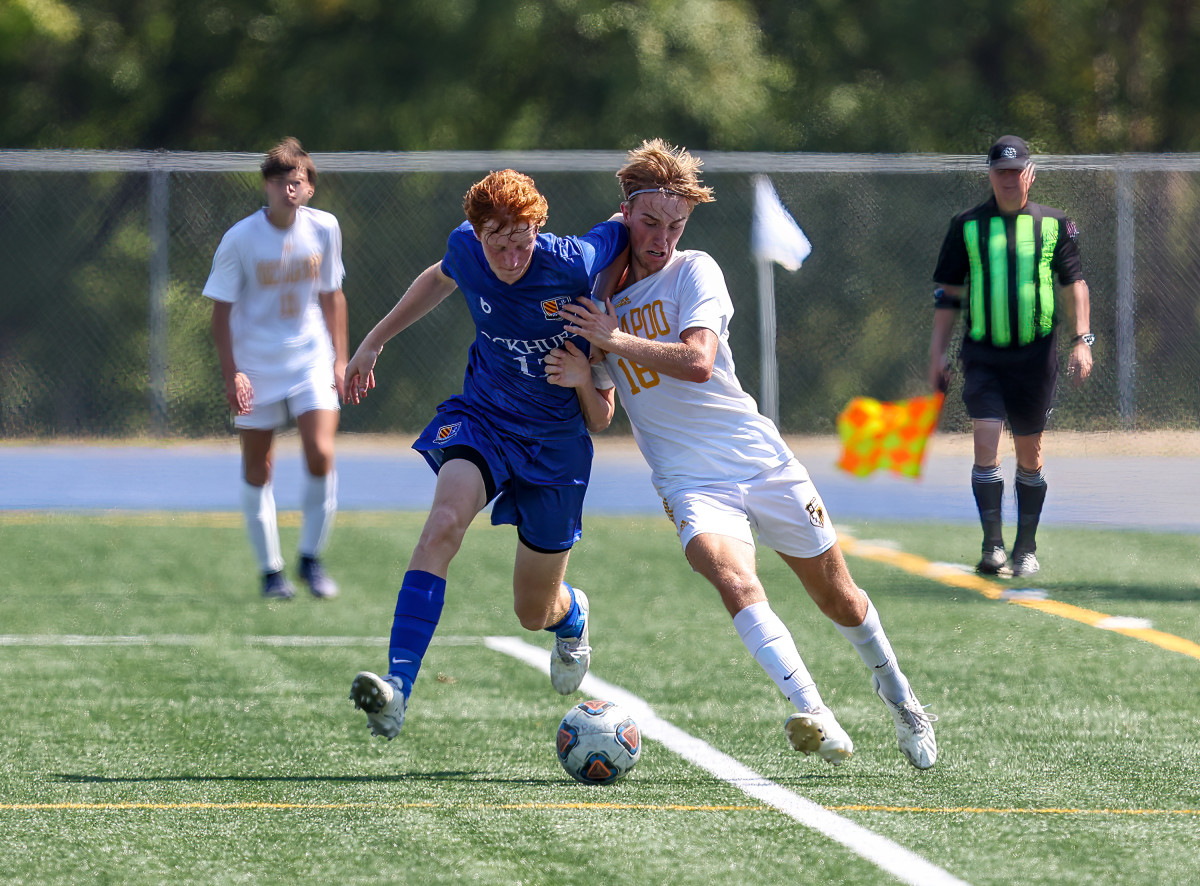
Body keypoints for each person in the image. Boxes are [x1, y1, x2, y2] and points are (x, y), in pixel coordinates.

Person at [548, 139, 937, 769]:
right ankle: (814, 709)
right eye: (650, 223)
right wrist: (580, 377)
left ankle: (902, 700)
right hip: (686, 479)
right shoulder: (598, 296)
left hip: (758, 460)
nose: (662, 238)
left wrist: (610, 337)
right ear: (625, 214)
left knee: (839, 598)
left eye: (675, 225)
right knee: (728, 575)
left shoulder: (695, 269)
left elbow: (699, 362)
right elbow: (603, 412)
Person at [343, 169, 628, 740]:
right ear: (476, 234)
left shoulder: (572, 261)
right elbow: (439, 277)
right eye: (497, 240)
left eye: (522, 239)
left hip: (556, 447)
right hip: (485, 420)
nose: (511, 253)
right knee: (443, 523)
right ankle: (398, 689)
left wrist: (592, 363)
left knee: (532, 612)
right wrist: (374, 340)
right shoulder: (463, 250)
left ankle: (571, 615)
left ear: (538, 229)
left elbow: (626, 230)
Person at [929, 135, 1093, 578]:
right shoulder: (966, 226)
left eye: (1015, 171)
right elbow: (948, 294)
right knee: (985, 440)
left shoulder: (1055, 224)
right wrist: (938, 354)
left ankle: (1025, 547)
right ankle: (992, 546)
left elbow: (1075, 282)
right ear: (990, 175)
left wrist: (1083, 339)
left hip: (1036, 358)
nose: (1007, 179)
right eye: (1000, 172)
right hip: (983, 355)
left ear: (1030, 175)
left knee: (1029, 455)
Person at [204, 137, 348, 600]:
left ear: (310, 189)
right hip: (256, 364)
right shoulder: (241, 238)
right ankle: (271, 571)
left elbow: (332, 295)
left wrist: (340, 359)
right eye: (282, 182)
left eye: (299, 182)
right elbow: (220, 313)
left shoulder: (325, 228)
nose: (291, 189)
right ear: (267, 185)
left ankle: (311, 559)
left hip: (310, 357)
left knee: (320, 452)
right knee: (257, 466)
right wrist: (233, 374)